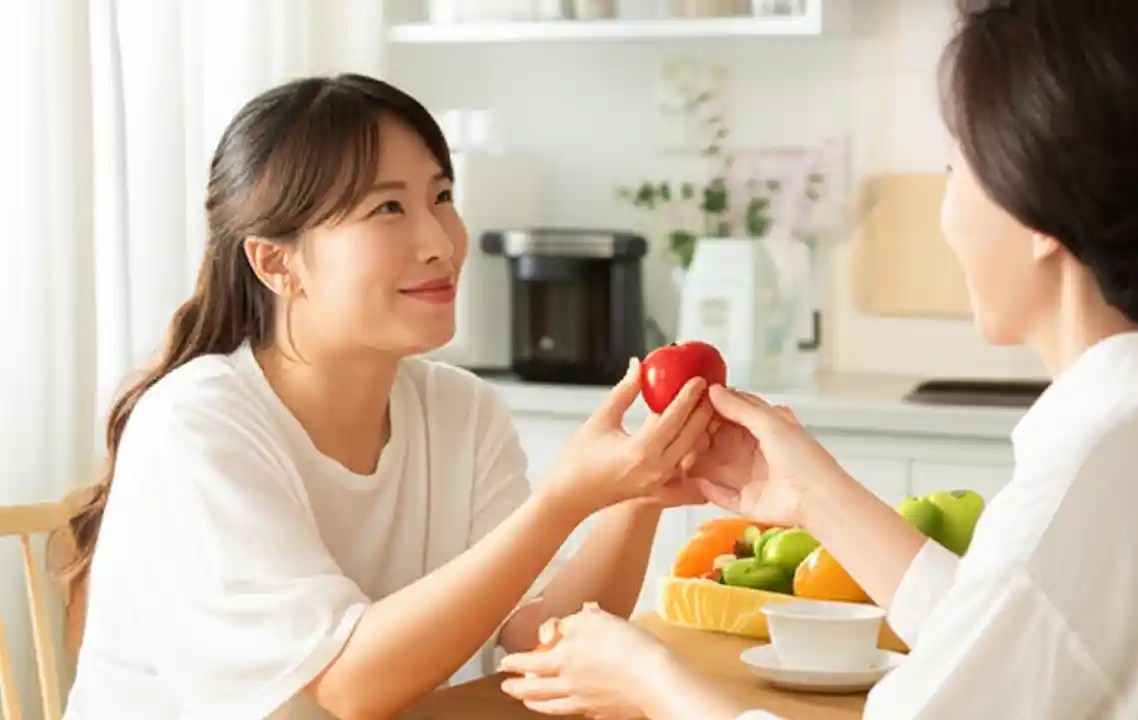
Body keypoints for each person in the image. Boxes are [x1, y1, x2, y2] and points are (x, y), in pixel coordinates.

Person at [499, 0, 1138, 717]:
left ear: (1043, 206)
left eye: (956, 170)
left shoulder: (1090, 478)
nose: (946, 216)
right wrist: (815, 498)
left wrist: (652, 680)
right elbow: (1013, 639)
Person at [62, 74, 714, 719]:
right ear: (276, 263)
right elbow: (350, 687)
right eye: (388, 209)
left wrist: (635, 495)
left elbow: (540, 642)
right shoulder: (198, 424)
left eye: (442, 196)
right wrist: (561, 502)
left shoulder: (458, 411)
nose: (440, 242)